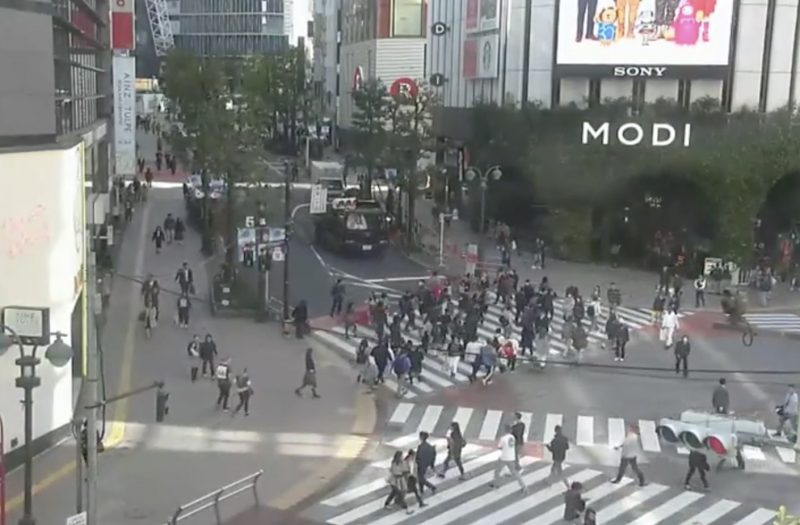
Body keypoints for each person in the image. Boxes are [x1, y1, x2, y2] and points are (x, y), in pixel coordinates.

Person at [489, 424, 528, 494]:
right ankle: (523, 486)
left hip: (504, 457)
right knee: (515, 472)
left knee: (497, 471)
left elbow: (500, 447)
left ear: (505, 430)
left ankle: (496, 484)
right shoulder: (512, 437)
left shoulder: (503, 438)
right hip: (511, 457)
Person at [546, 424, 570, 488]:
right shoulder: (565, 438)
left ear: (555, 431)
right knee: (553, 468)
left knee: (560, 472)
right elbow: (567, 447)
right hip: (562, 456)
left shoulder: (554, 441)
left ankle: (568, 485)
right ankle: (549, 481)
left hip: (556, 457)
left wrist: (547, 446)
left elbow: (551, 450)